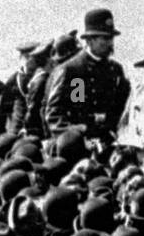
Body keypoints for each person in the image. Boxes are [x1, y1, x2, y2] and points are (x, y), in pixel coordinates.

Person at [43, 9, 132, 139]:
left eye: (111, 38)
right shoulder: (73, 70)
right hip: (78, 144)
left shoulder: (115, 70)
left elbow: (121, 109)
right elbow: (54, 116)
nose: (110, 43)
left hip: (109, 140)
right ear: (90, 40)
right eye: (105, 38)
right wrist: (75, 132)